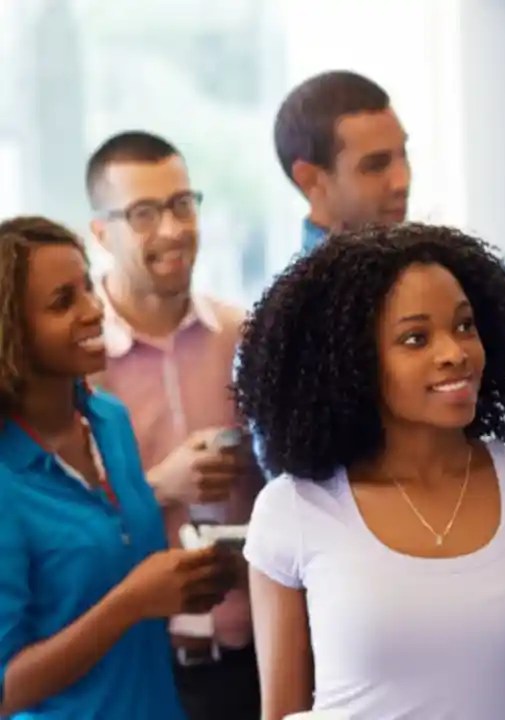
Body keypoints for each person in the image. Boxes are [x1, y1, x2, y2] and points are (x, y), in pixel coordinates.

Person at [235, 223, 505, 719]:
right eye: (416, 338)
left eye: (465, 326)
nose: (455, 353)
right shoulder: (295, 508)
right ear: (354, 362)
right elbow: (280, 712)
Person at [0, 216, 235, 718]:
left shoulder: (109, 420)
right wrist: (131, 603)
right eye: (63, 302)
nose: (94, 310)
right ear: (11, 331)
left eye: (87, 287)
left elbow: (123, 562)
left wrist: (191, 581)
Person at [84, 131, 262, 719]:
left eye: (183, 204)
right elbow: (57, 522)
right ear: (101, 234)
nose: (172, 229)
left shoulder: (243, 337)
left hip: (257, 653)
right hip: (141, 669)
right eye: (143, 213)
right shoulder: (77, 362)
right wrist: (160, 485)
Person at [272, 70, 505, 350]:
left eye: (403, 155)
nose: (402, 180)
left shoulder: (407, 265)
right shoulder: (315, 313)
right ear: (311, 179)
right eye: (375, 165)